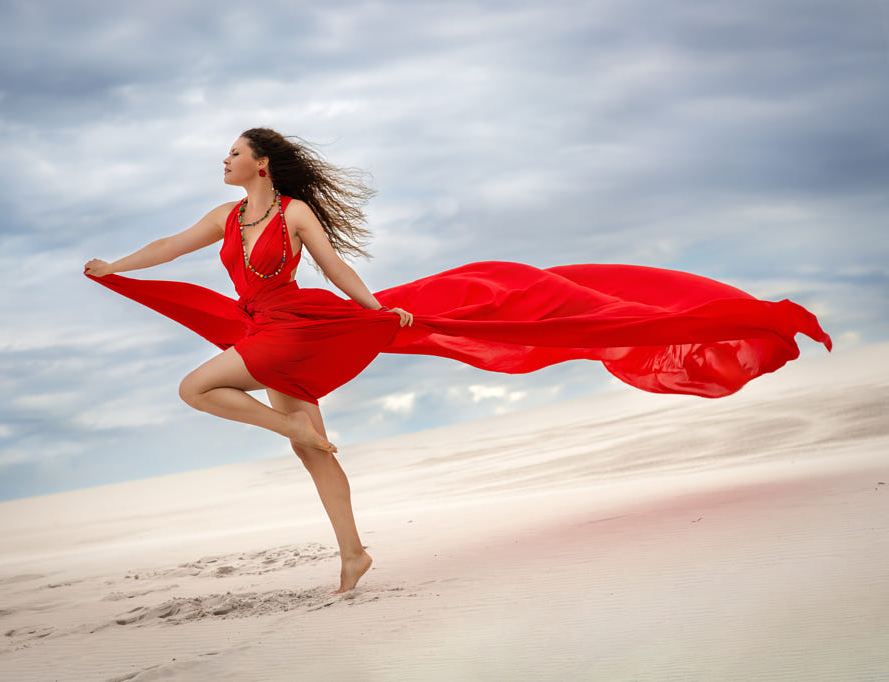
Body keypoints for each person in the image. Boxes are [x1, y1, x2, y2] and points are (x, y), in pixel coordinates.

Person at [86, 127, 831, 593]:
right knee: (312, 449)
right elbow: (168, 247)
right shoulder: (224, 217)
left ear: (262, 163)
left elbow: (338, 270)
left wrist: (378, 310)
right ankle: (353, 555)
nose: (223, 159)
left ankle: (295, 430)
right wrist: (115, 266)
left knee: (196, 387)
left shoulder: (295, 214)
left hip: (297, 329)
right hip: (264, 328)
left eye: (233, 153)